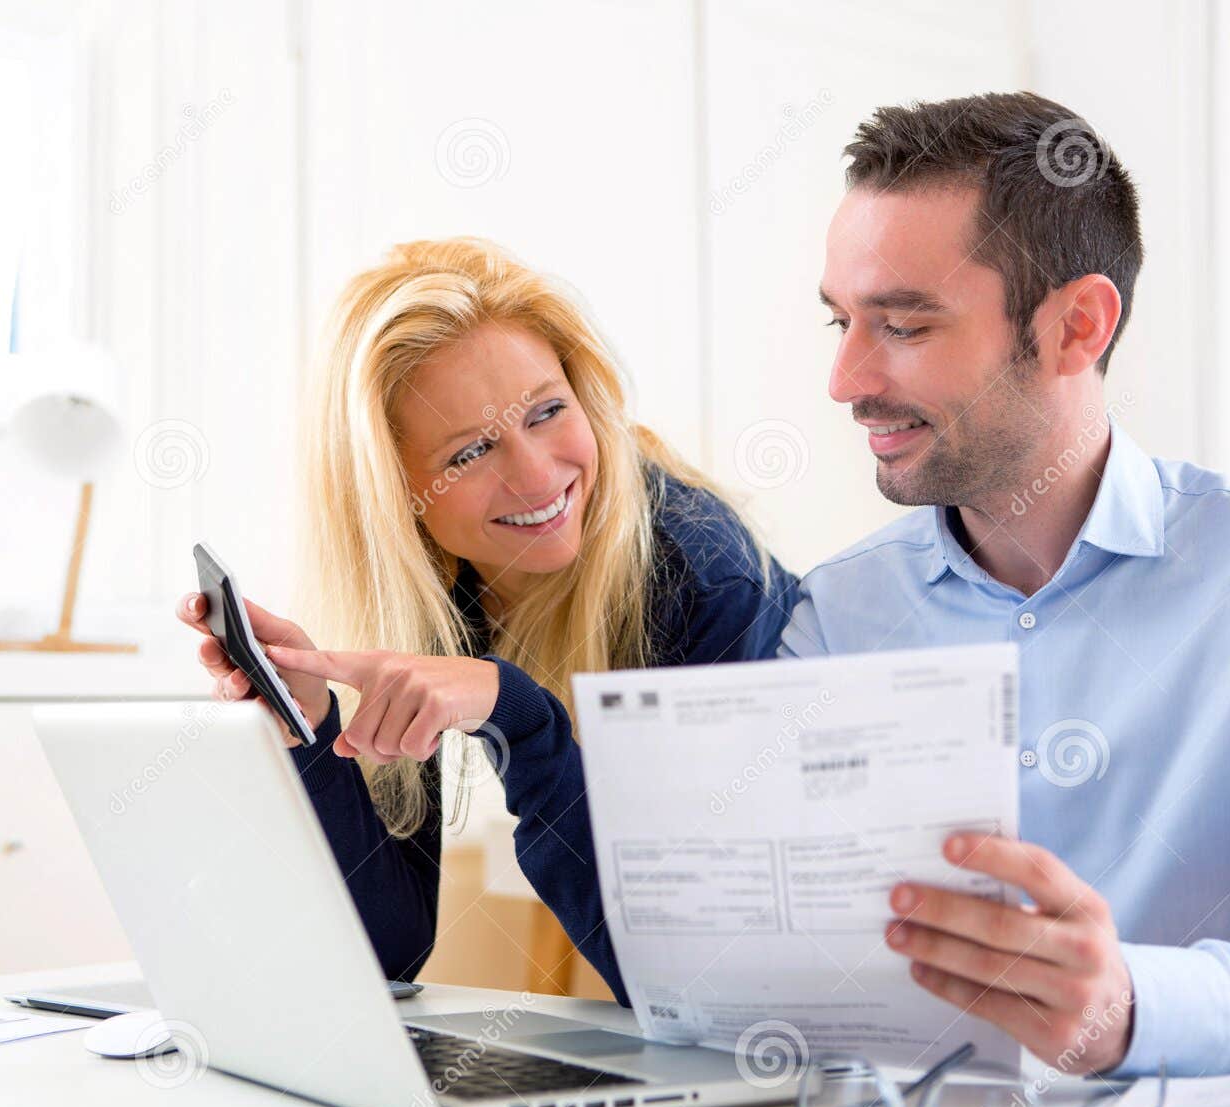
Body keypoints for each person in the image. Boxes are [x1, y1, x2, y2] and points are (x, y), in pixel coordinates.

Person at [784, 92, 1230, 1078]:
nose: (844, 379)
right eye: (840, 322)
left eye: (903, 325)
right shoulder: (835, 617)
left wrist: (1132, 1005)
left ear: (1075, 325)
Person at [178, 238, 798, 993]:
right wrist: (312, 727)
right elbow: (389, 951)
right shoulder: (435, 582)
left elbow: (691, 977)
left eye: (547, 411)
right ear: (397, 498)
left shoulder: (702, 579)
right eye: (470, 452)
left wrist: (516, 714)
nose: (539, 476)